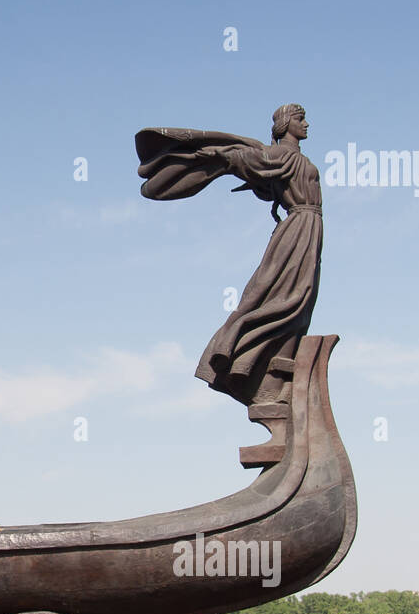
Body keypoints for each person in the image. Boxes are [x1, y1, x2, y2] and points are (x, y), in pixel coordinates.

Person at [136, 104, 322, 464]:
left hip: (308, 229)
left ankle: (275, 381)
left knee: (299, 307)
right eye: (300, 119)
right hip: (297, 230)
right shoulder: (277, 155)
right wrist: (218, 154)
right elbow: (243, 159)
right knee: (283, 301)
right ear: (286, 124)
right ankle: (239, 360)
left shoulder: (289, 157)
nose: (306, 124)